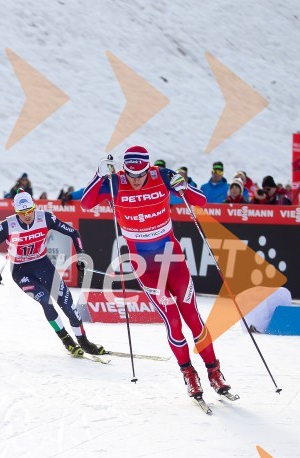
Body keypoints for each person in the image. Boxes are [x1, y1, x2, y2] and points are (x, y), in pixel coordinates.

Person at [81, 145, 233, 401]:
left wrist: (184, 186)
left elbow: (201, 200)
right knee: (173, 321)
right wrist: (98, 175)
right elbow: (86, 204)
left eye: (141, 174)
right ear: (124, 169)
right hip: (145, 267)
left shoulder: (161, 176)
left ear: (148, 167)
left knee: (192, 318)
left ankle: (214, 372)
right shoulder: (115, 181)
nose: (137, 180)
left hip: (173, 260)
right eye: (131, 174)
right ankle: (188, 373)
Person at [0, 189, 105, 358]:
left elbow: (74, 233)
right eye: (22, 213)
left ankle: (84, 342)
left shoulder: (45, 218)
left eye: (30, 211)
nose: (27, 215)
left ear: (34, 208)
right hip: (21, 271)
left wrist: (81, 255)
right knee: (46, 301)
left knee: (67, 305)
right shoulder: (7, 226)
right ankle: (67, 340)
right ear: (16, 212)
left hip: (43, 266)